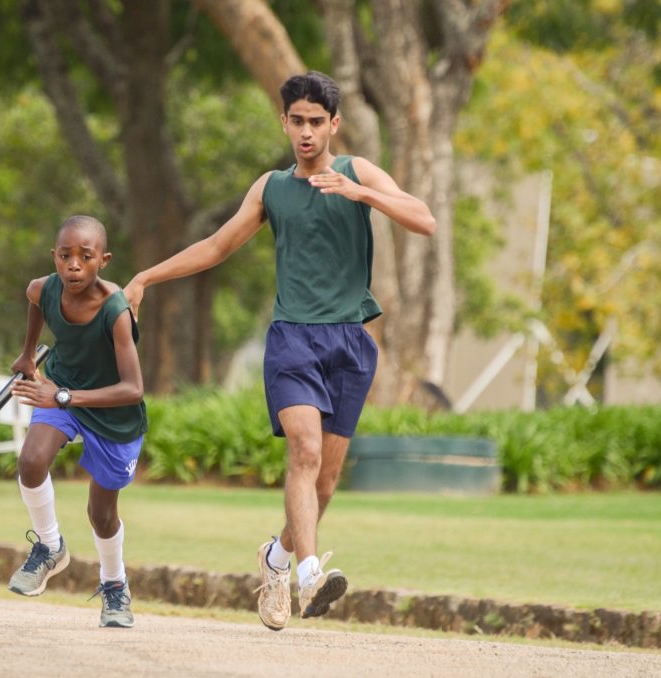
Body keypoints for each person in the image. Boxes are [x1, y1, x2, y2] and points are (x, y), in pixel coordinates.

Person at [124, 71, 436, 631]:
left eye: (318, 121)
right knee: (305, 451)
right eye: (298, 121)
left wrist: (363, 193)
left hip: (351, 341)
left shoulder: (356, 171)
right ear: (285, 122)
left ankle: (277, 558)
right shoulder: (270, 188)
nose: (307, 131)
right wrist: (146, 276)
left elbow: (425, 220)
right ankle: (310, 573)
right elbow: (217, 245)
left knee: (325, 485)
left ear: (334, 124)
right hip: (292, 338)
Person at [6, 215, 147, 629]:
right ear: (54, 257)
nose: (73, 265)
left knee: (101, 514)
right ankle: (50, 546)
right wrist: (28, 353)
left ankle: (115, 584)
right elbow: (34, 300)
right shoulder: (44, 287)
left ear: (102, 260)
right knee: (31, 461)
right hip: (62, 390)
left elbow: (133, 388)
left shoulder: (115, 309)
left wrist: (62, 396)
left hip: (112, 412)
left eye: (84, 257)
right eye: (65, 256)